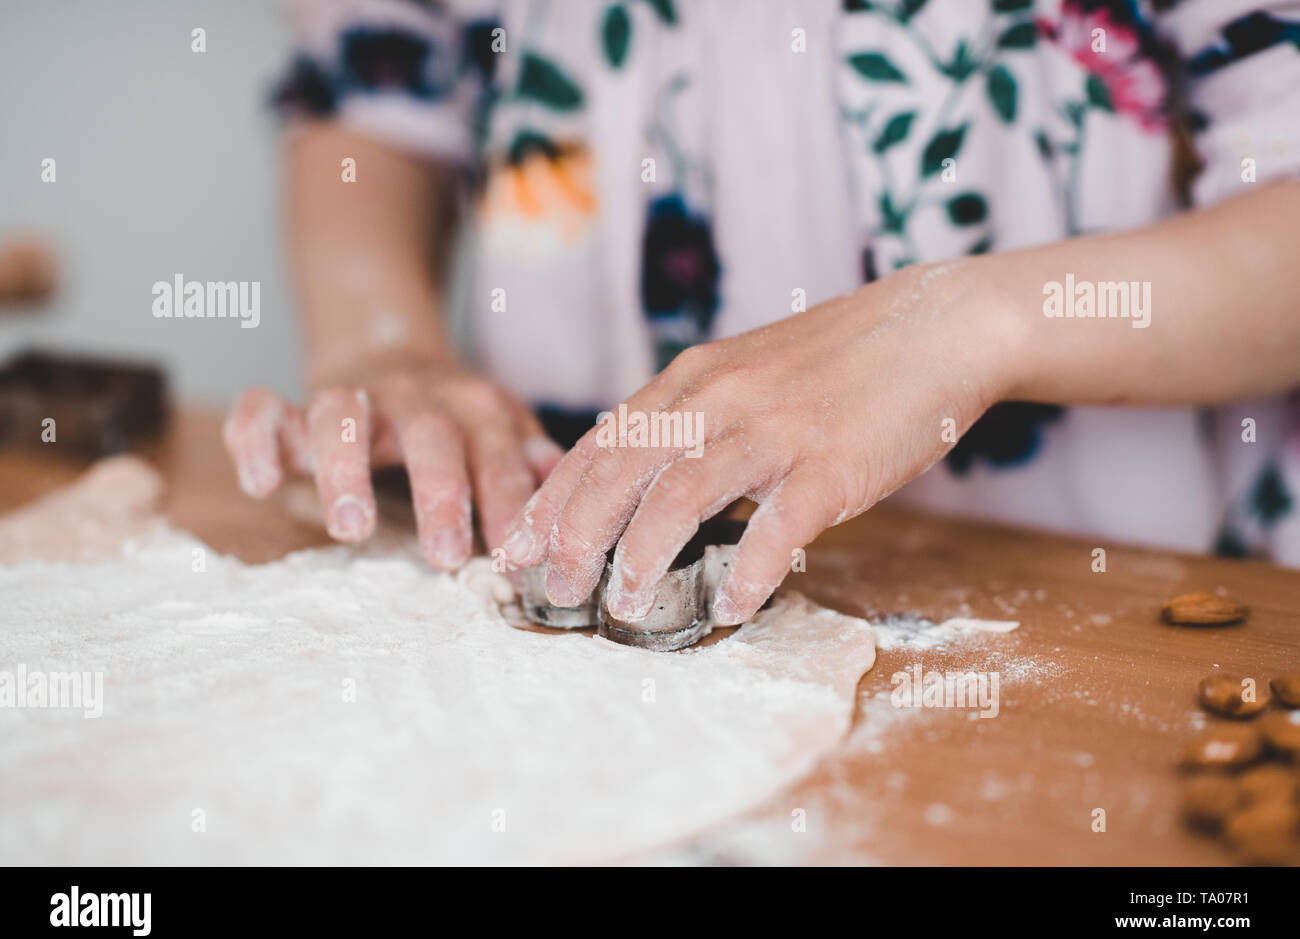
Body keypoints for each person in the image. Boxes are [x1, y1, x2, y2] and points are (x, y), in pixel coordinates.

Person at [223, 0, 1300, 627]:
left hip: (1111, 586)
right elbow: (374, 91)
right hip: (570, 497)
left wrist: (968, 322)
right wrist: (384, 337)